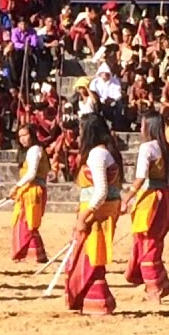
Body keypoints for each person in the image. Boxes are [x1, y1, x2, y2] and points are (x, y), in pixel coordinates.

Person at [63, 114, 124, 315]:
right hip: (104, 208)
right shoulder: (107, 152)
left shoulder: (97, 155)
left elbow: (100, 191)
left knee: (90, 254)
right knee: (92, 252)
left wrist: (84, 216)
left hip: (98, 211)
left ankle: (95, 298)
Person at [123, 111, 169, 303]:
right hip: (167, 198)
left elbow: (140, 177)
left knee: (147, 243)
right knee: (155, 242)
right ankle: (161, 284)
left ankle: (154, 288)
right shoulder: (167, 148)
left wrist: (127, 197)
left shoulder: (148, 148)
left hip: (152, 200)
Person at [11, 124, 50, 263]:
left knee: (29, 221)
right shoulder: (29, 151)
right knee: (25, 220)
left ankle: (32, 253)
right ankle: (33, 253)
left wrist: (17, 186)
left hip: (34, 190)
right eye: (20, 136)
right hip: (27, 190)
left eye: (25, 135)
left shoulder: (35, 150)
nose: (22, 139)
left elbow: (32, 173)